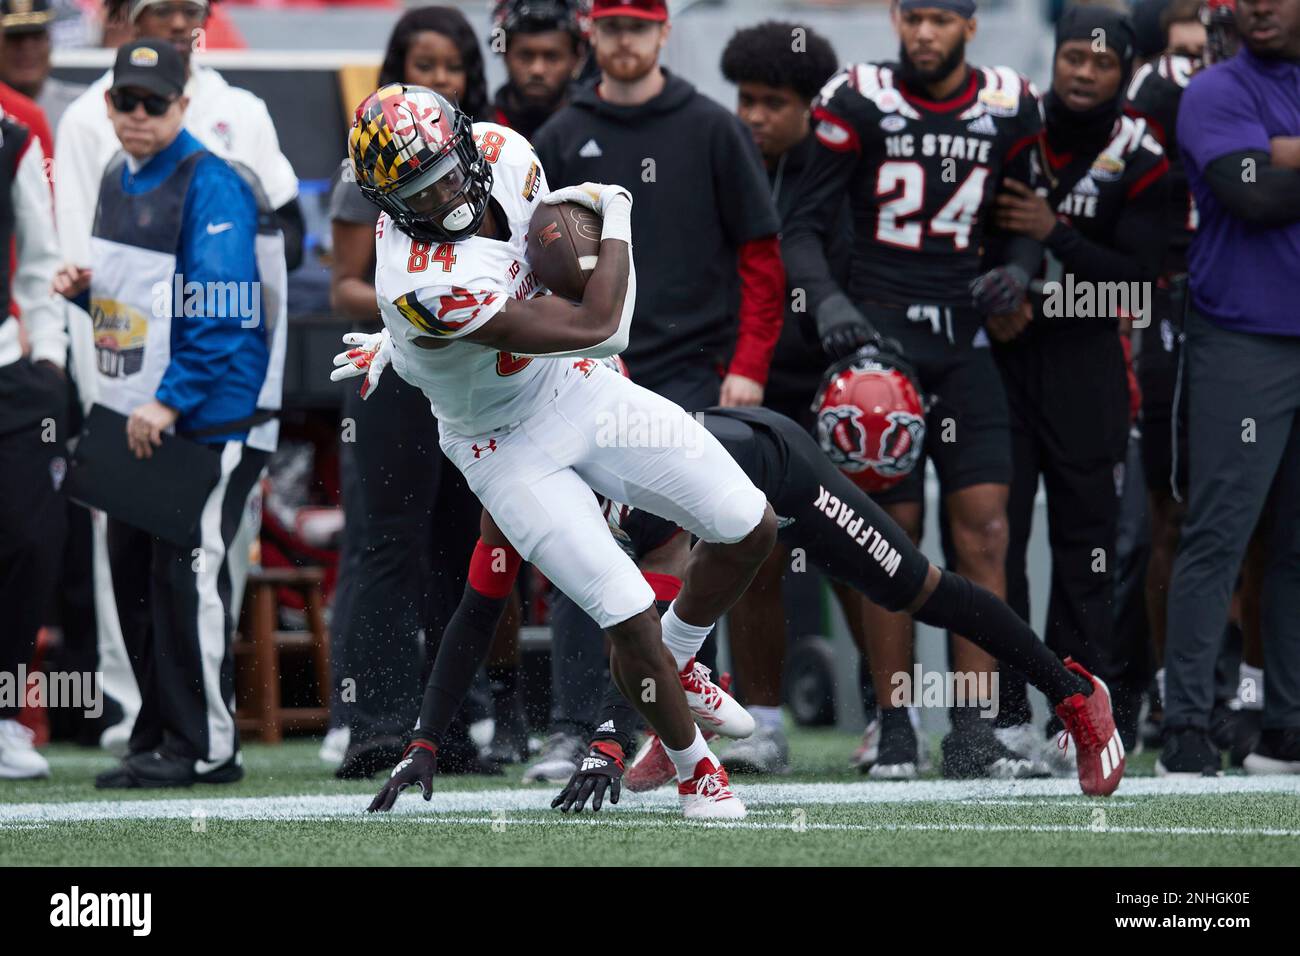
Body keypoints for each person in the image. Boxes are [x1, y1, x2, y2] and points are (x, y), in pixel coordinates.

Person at [360, 357, 1129, 809]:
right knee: (660, 618)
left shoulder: (615, 454)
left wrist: (604, 732)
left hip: (779, 475)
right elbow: (473, 615)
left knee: (914, 591)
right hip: (723, 532)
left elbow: (648, 617)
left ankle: (1073, 695)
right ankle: (682, 722)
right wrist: (427, 737)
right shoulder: (517, 484)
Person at [339, 81, 781, 818]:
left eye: (446, 170)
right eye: (415, 190)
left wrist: (405, 346)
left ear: (467, 144)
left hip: (573, 387)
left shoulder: (507, 153)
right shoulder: (419, 279)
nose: (442, 194)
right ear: (385, 202)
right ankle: (695, 768)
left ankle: (678, 658)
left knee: (751, 524)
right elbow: (604, 326)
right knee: (623, 603)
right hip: (500, 442)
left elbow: (549, 275)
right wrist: (619, 212)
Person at [782, 0, 1046, 779]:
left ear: (970, 24)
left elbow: (1030, 217)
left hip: (965, 342)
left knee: (987, 532)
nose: (925, 34)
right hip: (878, 345)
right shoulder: (857, 96)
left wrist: (1022, 272)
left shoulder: (1010, 103)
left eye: (941, 19)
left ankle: (973, 727)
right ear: (896, 17)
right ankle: (893, 721)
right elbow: (797, 225)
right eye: (914, 16)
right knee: (886, 543)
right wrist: (830, 304)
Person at [523, 0, 786, 783]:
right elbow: (525, 261)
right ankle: (581, 729)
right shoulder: (562, 136)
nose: (625, 40)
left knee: (697, 538)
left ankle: (662, 722)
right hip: (584, 370)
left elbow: (763, 258)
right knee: (581, 546)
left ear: (663, 32)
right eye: (612, 27)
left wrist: (750, 364)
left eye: (639, 26)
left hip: (690, 369)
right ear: (592, 35)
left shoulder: (711, 126)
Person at [56, 0, 301, 754]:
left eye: (151, 103)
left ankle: (205, 748)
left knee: (187, 577)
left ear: (180, 104)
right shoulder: (117, 174)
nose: (135, 115)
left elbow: (224, 314)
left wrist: (169, 401)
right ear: (107, 103)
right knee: (137, 576)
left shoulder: (213, 181)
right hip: (144, 410)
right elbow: (151, 303)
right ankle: (154, 736)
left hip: (208, 417)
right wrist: (89, 297)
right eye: (124, 101)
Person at [988, 5, 1169, 763]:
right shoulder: (1009, 128)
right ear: (1054, 60)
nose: (1085, 73)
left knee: (1084, 545)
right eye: (1073, 59)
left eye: (1101, 63)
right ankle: (1003, 715)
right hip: (1002, 358)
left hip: (1090, 365)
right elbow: (971, 234)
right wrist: (996, 298)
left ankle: (1079, 711)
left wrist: (1053, 237)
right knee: (998, 537)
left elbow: (1141, 284)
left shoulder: (1144, 149)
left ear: (1125, 69)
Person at [326, 4, 502, 778]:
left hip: (472, 372)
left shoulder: (491, 153)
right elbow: (341, 288)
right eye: (421, 65)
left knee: (462, 543)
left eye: (451, 67)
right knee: (386, 542)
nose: (437, 79)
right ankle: (376, 724)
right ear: (396, 67)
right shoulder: (361, 161)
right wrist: (417, 309)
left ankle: (450, 725)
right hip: (394, 366)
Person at [707, 20, 883, 777]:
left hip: (831, 381)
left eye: (773, 101)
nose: (753, 115)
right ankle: (764, 723)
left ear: (813, 106)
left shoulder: (845, 168)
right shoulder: (724, 156)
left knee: (856, 551)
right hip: (752, 381)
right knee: (750, 549)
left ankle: (888, 716)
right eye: (745, 98)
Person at [1163, 0, 1300, 776]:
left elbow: (1276, 179)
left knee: (1297, 546)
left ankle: (1288, 727)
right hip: (1243, 335)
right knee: (1219, 531)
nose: (1256, 4)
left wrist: (1288, 155)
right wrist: (1271, 164)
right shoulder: (1218, 88)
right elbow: (1251, 194)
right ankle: (1186, 721)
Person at [0, 79, 63, 779]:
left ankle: (7, 715)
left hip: (11, 369)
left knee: (30, 540)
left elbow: (42, 260)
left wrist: (47, 360)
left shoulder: (12, 135)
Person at [489, 0, 587, 140]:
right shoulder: (478, 129)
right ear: (505, 55)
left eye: (552, 57)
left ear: (577, 59)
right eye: (525, 56)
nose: (537, 70)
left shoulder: (597, 128)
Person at [0, 0, 86, 129]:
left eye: (36, 36)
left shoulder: (80, 107)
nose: (27, 48)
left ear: (50, 41)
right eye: (15, 37)